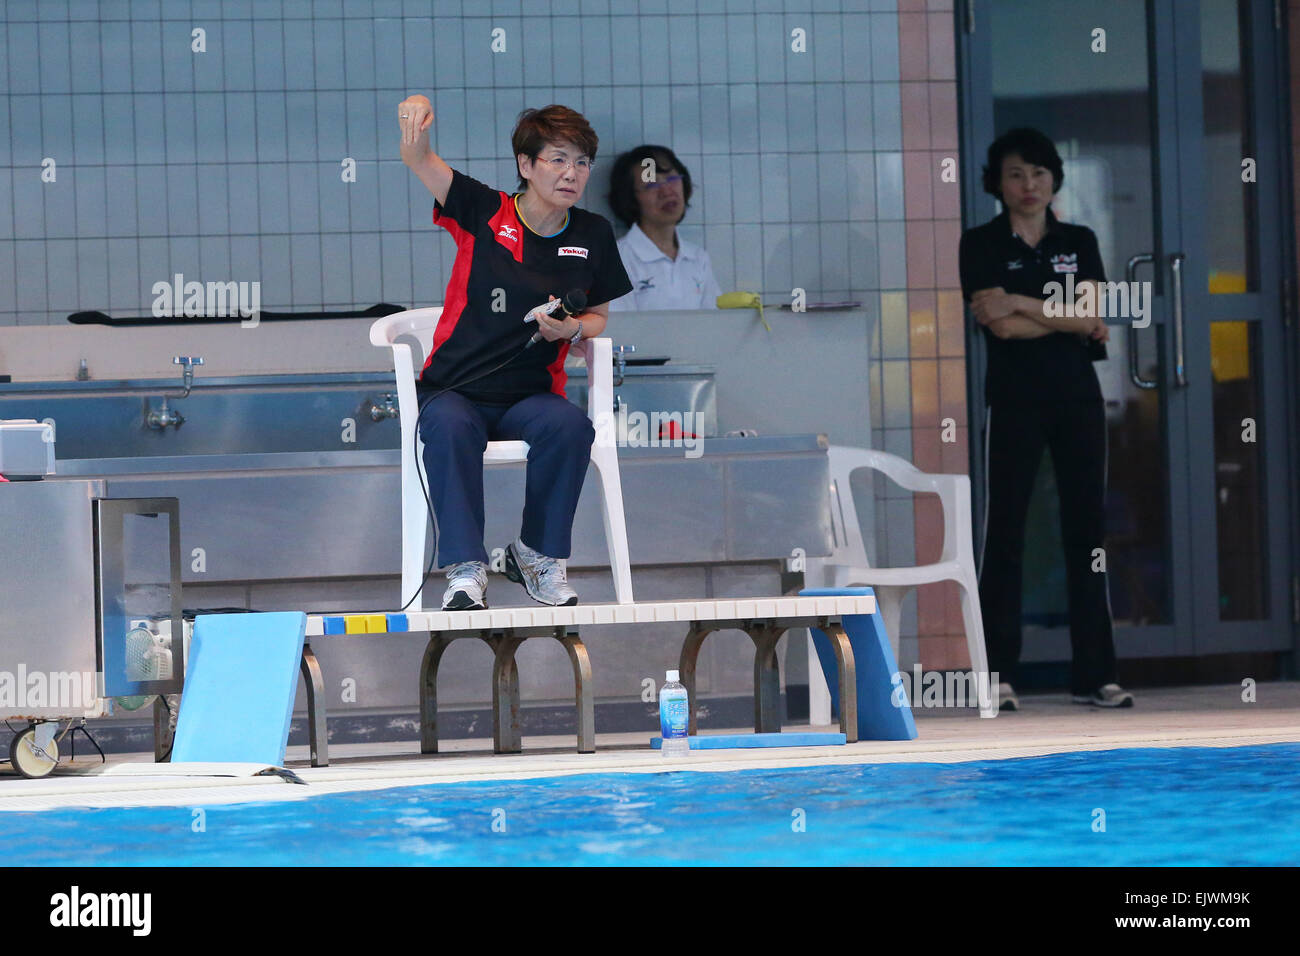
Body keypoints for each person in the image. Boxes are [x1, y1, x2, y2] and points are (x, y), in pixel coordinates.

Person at [398, 97, 632, 610]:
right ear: (526, 166)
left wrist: (571, 329)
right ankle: (465, 569)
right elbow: (419, 160)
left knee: (570, 427)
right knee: (451, 428)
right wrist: (414, 119)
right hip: (454, 390)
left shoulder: (593, 234)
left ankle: (534, 557)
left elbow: (599, 319)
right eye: (558, 159)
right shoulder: (483, 210)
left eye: (582, 161)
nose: (572, 173)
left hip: (529, 395)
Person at [959, 127, 1133, 711]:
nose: (1028, 185)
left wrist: (1022, 300)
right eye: (1015, 174)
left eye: (1038, 173)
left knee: (1088, 535)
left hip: (1078, 400)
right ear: (997, 184)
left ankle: (1096, 675)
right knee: (1004, 532)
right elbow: (1002, 326)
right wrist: (1064, 315)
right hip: (1013, 401)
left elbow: (1090, 316)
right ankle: (997, 674)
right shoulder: (979, 243)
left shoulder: (1078, 239)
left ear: (1054, 179)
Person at [606, 145, 721, 311]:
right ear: (631, 198)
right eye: (651, 184)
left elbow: (715, 323)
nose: (666, 191)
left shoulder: (698, 258)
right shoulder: (618, 259)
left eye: (671, 178)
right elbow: (622, 329)